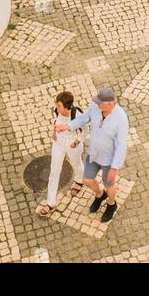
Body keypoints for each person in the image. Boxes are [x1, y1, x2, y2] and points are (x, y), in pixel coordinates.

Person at [57, 86, 129, 224]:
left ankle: (111, 204)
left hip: (109, 160)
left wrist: (114, 168)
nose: (96, 103)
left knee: (109, 185)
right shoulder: (95, 107)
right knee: (87, 180)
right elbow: (83, 119)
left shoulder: (121, 119)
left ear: (109, 103)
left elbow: (121, 145)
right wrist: (67, 126)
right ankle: (100, 195)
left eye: (99, 102)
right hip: (94, 153)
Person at [36, 90, 85, 217]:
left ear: (67, 106)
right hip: (58, 143)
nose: (57, 108)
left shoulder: (77, 115)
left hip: (72, 144)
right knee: (54, 171)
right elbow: (57, 121)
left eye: (59, 106)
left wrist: (76, 142)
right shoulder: (58, 111)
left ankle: (79, 180)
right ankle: (50, 203)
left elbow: (84, 131)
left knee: (76, 163)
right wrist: (54, 133)